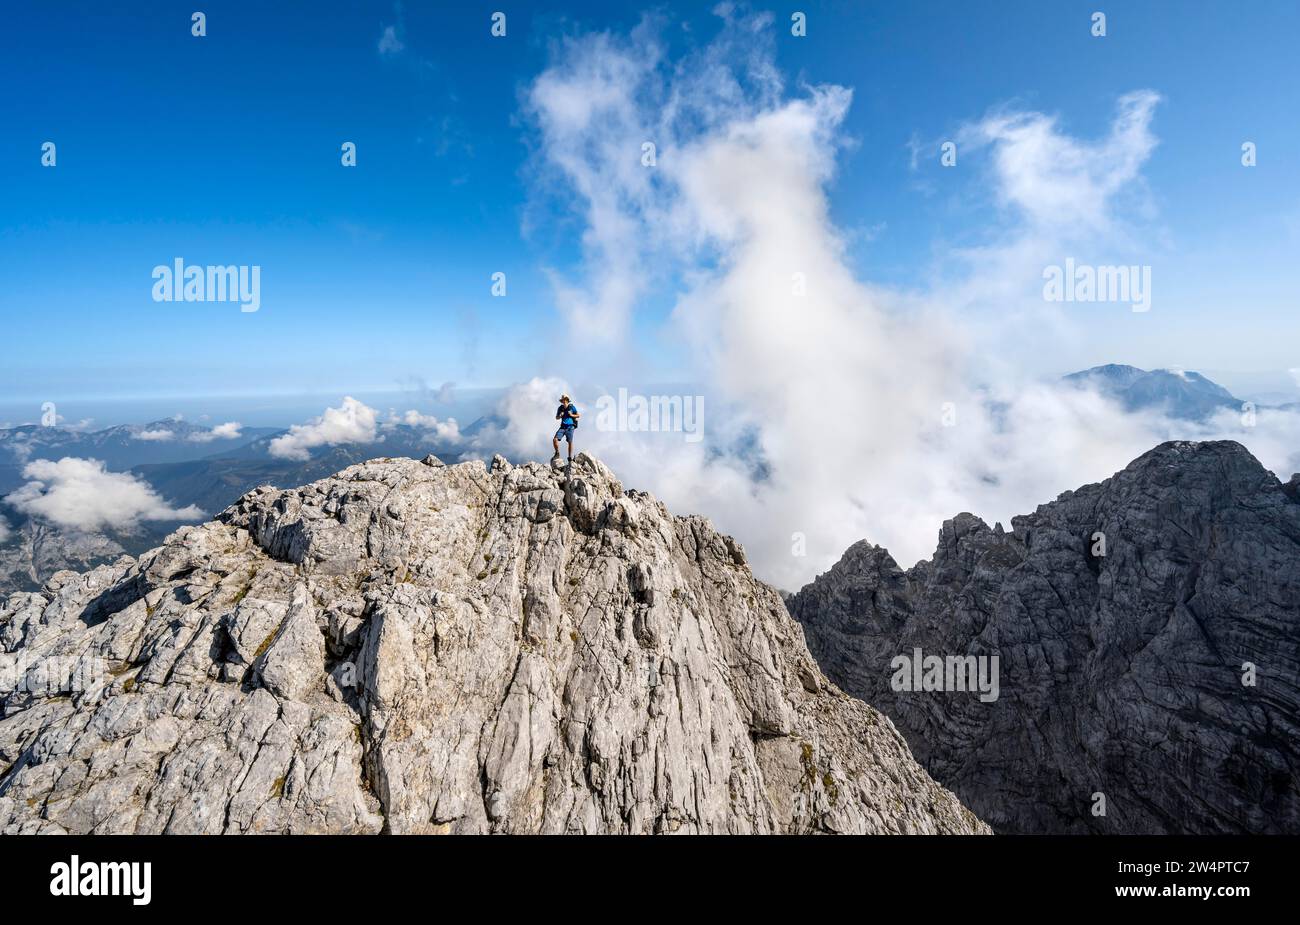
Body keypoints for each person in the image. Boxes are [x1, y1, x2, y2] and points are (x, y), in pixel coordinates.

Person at [552, 393, 580, 463]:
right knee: (555, 439)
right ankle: (557, 453)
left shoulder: (571, 407)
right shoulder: (560, 408)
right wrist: (560, 416)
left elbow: (578, 415)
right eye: (563, 400)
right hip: (563, 427)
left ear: (567, 400)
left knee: (570, 442)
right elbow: (556, 417)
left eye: (565, 400)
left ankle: (569, 457)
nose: (564, 401)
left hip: (570, 427)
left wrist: (571, 415)